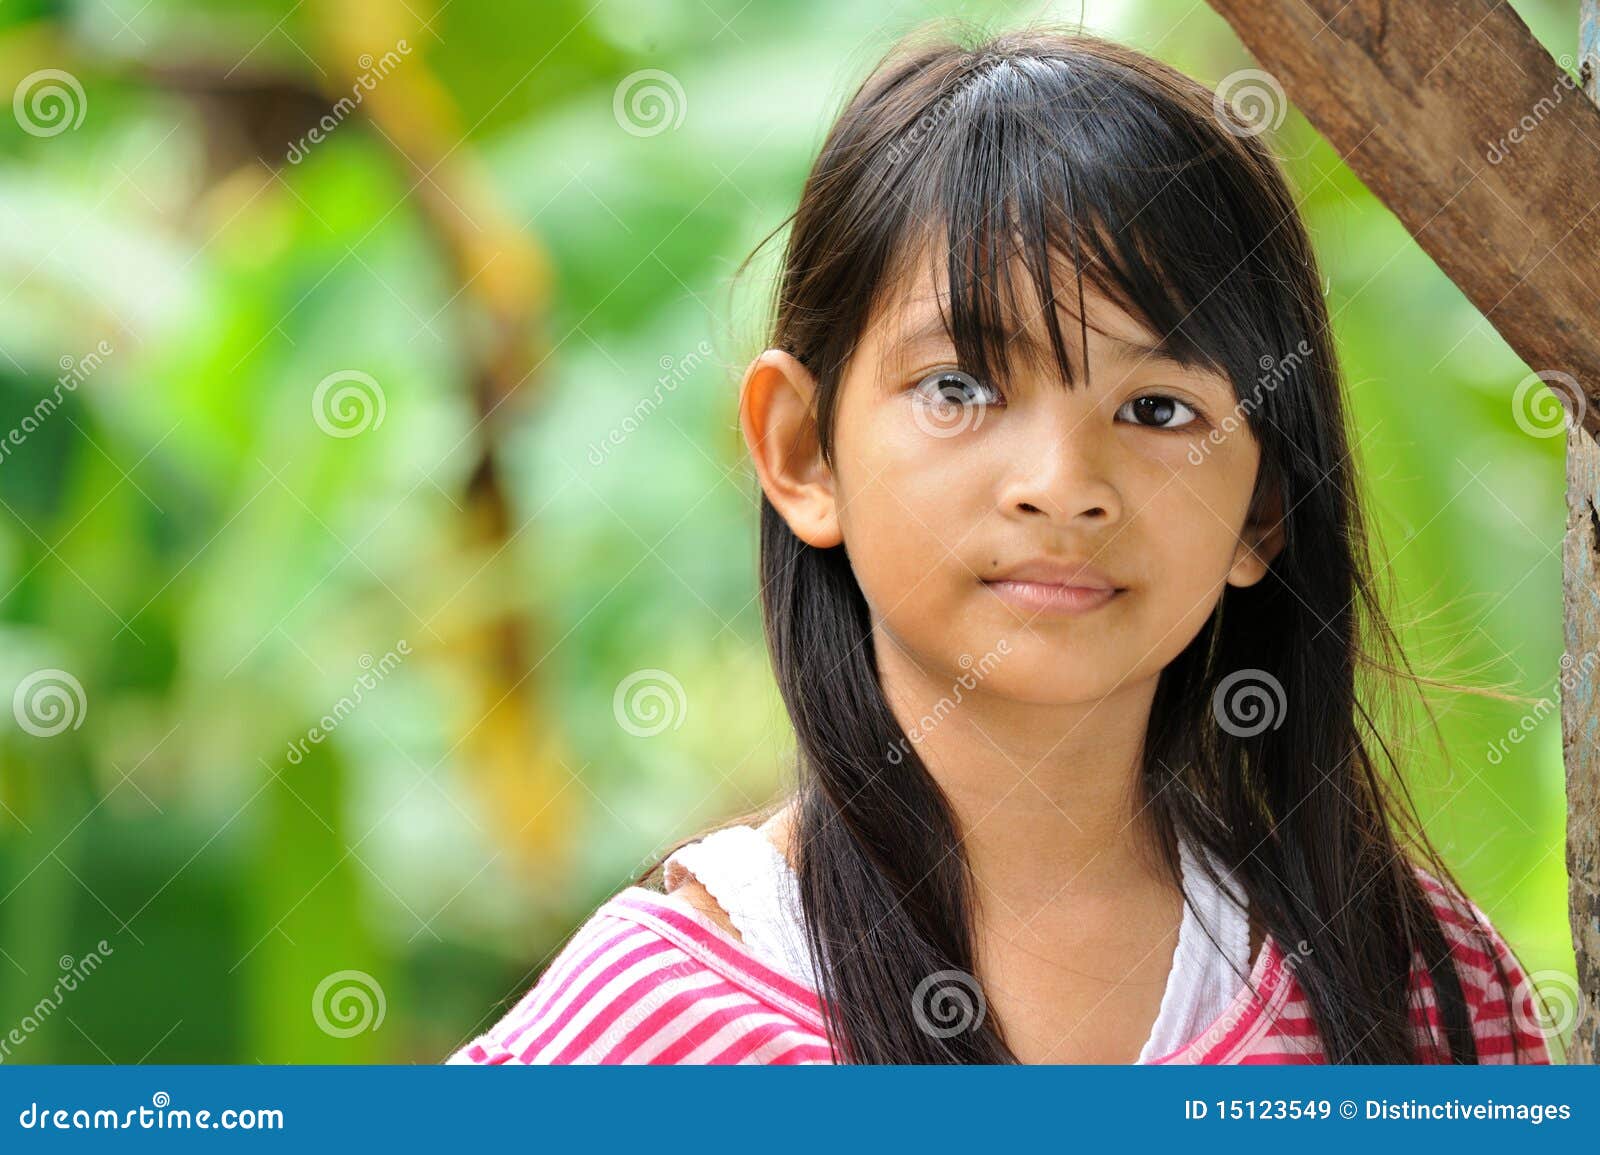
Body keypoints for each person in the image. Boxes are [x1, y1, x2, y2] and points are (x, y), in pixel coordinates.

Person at [449, 24, 1555, 1065]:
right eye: (960, 388)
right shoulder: (654, 1027)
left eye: (1157, 409)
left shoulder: (1417, 991)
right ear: (803, 450)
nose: (1063, 488)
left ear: (1264, 504)